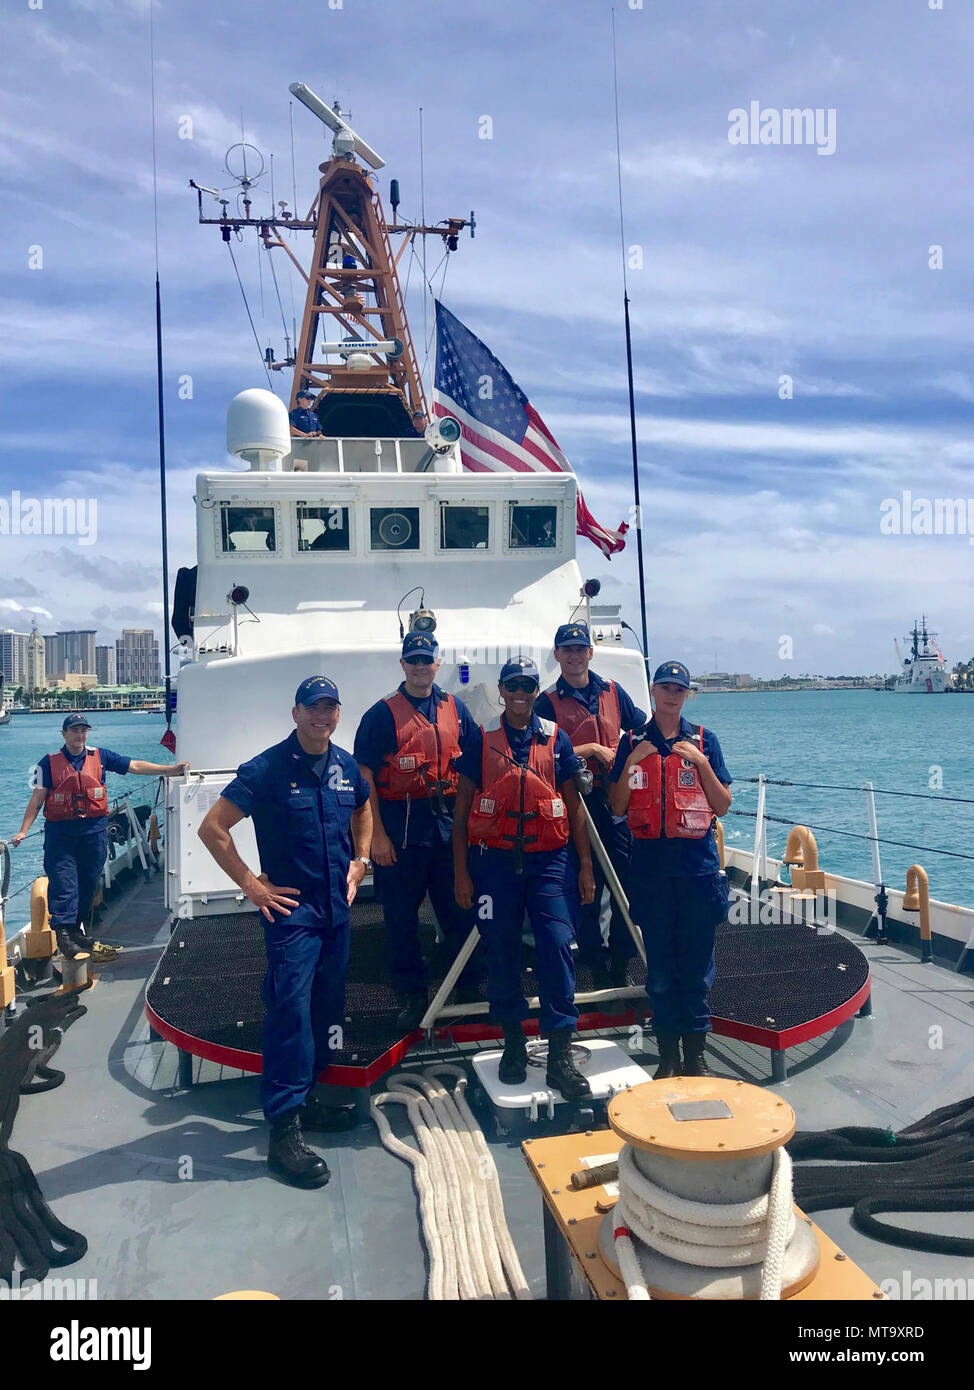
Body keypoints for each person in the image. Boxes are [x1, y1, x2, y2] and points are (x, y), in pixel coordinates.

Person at [197, 677, 372, 1189]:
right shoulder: (267, 769)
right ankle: (284, 1129)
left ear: (338, 715)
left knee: (324, 1008)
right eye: (313, 708)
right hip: (291, 915)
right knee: (290, 1013)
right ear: (295, 713)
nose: (322, 716)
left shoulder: (345, 767)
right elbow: (213, 828)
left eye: (330, 708)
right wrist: (251, 885)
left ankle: (310, 1100)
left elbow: (364, 808)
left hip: (336, 911)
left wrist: (360, 861)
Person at [453, 656, 596, 1099]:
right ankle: (513, 1045)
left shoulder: (557, 741)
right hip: (494, 864)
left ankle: (559, 1055)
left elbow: (573, 808)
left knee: (556, 945)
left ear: (537, 691)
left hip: (549, 863)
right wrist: (461, 873)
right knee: (501, 950)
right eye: (513, 684)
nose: (520, 692)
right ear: (501, 690)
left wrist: (586, 867)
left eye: (528, 685)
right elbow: (461, 815)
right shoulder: (481, 742)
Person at [609, 661, 732, 1079]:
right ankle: (667, 1056)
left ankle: (696, 1055)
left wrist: (702, 764)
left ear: (687, 695)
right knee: (660, 968)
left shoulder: (704, 741)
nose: (671, 695)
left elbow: (722, 804)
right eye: (664, 687)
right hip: (651, 874)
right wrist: (632, 763)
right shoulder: (632, 741)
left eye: (679, 689)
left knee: (696, 968)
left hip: (697, 872)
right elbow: (618, 806)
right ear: (652, 690)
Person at [354, 632, 481, 1031]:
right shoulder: (381, 715)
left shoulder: (455, 708)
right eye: (414, 660)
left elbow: (478, 760)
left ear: (437, 664)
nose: (421, 666)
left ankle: (469, 990)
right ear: (403, 664)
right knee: (401, 920)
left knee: (461, 911)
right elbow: (365, 776)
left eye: (427, 660)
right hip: (401, 831)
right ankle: (412, 995)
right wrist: (377, 837)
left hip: (448, 830)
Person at [11, 715, 188, 960]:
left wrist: (171, 770)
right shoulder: (47, 763)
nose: (79, 735)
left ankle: (76, 931)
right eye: (74, 730)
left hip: (93, 831)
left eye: (83, 730)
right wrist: (23, 830)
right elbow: (37, 799)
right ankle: (64, 936)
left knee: (88, 882)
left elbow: (134, 766)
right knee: (64, 883)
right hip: (61, 835)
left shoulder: (101, 757)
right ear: (64, 734)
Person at [535, 621, 646, 991]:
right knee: (587, 885)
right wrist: (590, 750)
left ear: (590, 653)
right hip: (574, 801)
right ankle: (594, 962)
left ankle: (620, 961)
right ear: (557, 655)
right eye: (567, 649)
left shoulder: (614, 692)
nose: (574, 655)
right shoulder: (546, 703)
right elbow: (539, 752)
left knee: (625, 884)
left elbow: (638, 732)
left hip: (615, 800)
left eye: (580, 649)